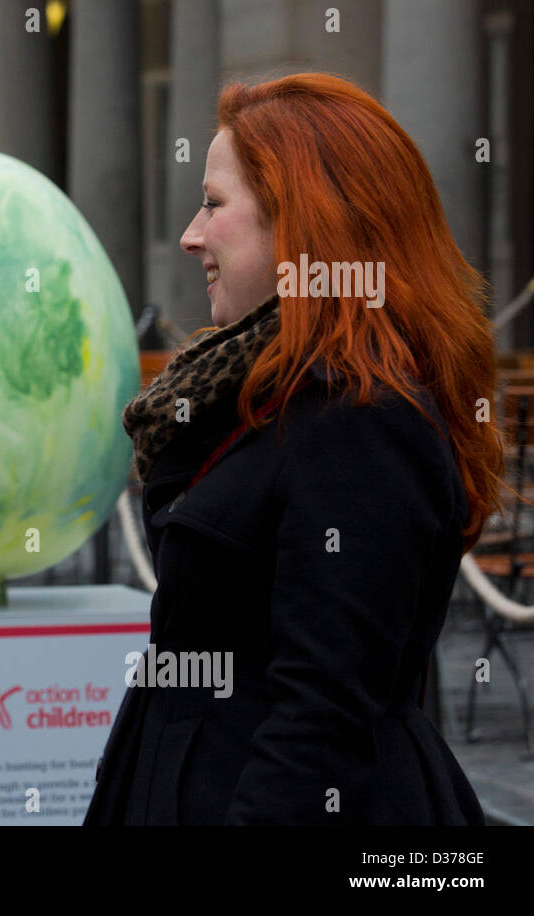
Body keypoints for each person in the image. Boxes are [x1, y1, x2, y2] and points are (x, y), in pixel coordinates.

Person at [85, 73, 504, 825]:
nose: (190, 235)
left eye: (214, 205)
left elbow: (322, 723)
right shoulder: (258, 392)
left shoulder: (364, 419)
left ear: (304, 223)